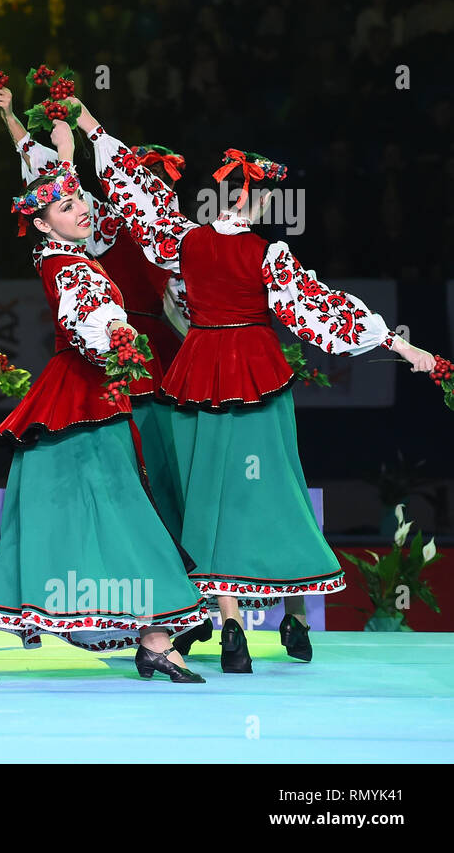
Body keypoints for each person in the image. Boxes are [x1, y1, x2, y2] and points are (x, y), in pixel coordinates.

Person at [80, 104, 439, 671]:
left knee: (210, 499)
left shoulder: (183, 240)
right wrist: (400, 345)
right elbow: (323, 310)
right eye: (269, 198)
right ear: (257, 199)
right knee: (275, 490)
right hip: (253, 371)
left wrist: (91, 129)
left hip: (198, 372)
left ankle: (230, 628)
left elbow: (139, 194)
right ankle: (293, 615)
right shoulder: (266, 253)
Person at [0, 120, 209, 686]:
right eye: (65, 206)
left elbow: (88, 301)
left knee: (60, 521)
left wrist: (64, 149)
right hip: (81, 401)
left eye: (80, 199)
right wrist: (117, 334)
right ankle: (155, 642)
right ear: (42, 224)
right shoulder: (67, 265)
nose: (81, 208)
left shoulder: (70, 255)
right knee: (121, 514)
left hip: (80, 399)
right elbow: (85, 313)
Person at [0, 85, 186, 540]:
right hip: (125, 350)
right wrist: (21, 124)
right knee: (141, 458)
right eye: (149, 176)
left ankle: (164, 549)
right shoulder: (99, 222)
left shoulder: (165, 230)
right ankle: (156, 548)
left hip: (145, 349)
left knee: (153, 457)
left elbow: (56, 191)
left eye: (161, 179)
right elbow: (52, 189)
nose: (158, 185)